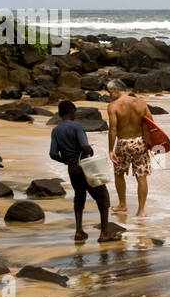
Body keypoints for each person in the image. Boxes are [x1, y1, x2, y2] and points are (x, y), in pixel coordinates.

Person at [50, 101, 120, 243]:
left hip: (72, 168)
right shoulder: (77, 127)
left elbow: (52, 153)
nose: (75, 114)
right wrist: (90, 150)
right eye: (74, 111)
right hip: (85, 167)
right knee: (102, 196)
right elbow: (84, 146)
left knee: (79, 197)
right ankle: (104, 234)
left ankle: (79, 231)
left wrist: (65, 160)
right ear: (71, 111)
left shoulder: (56, 130)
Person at [106, 79, 153, 218]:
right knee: (142, 176)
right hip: (140, 143)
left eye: (110, 92)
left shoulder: (113, 106)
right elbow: (151, 123)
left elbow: (113, 129)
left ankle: (122, 204)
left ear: (116, 90)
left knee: (119, 173)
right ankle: (141, 211)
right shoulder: (141, 102)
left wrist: (110, 149)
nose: (109, 96)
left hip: (124, 144)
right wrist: (151, 143)